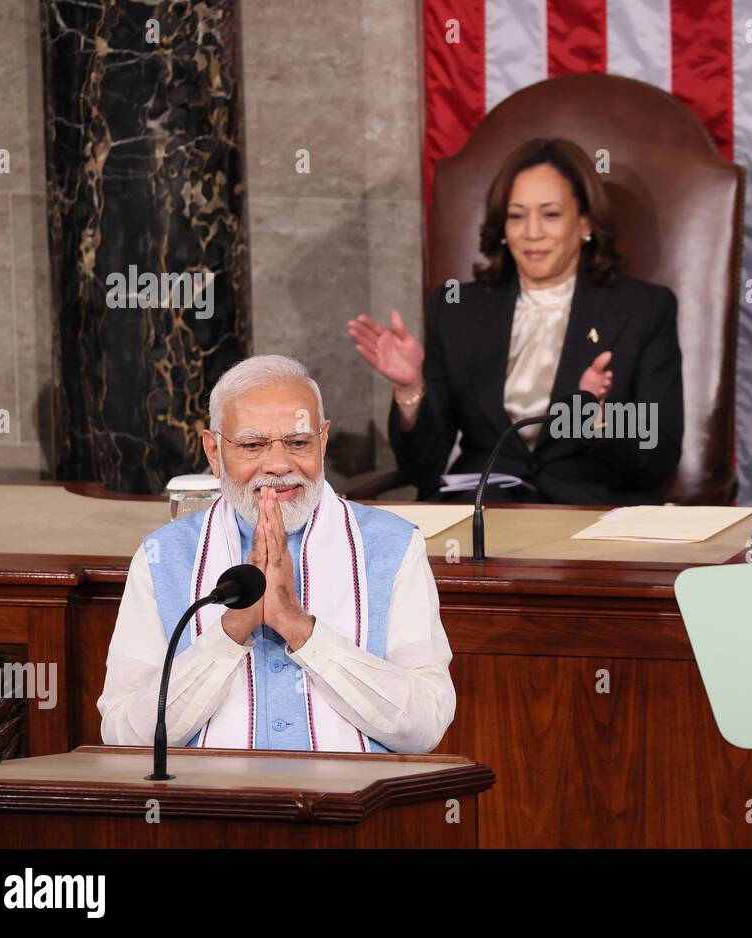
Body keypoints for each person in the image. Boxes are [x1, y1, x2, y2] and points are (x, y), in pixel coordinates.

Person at [98, 355, 455, 753]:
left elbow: (426, 726)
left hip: (355, 805)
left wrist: (299, 628)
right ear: (213, 451)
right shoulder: (162, 558)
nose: (280, 464)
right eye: (252, 445)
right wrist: (233, 630)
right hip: (209, 808)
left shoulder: (394, 545)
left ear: (324, 440)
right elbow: (124, 735)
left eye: (299, 442)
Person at [348, 138, 683, 504]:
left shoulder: (645, 309)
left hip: (589, 517)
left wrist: (600, 420)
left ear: (585, 221)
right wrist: (410, 389)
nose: (532, 232)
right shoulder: (457, 308)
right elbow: (421, 468)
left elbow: (658, 461)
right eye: (517, 215)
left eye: (551, 214)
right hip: (482, 512)